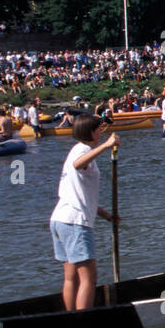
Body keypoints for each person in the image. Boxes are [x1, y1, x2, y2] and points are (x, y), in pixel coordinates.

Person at [49, 115, 121, 311]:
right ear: (91, 132)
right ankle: (83, 320)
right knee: (88, 278)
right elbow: (78, 164)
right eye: (99, 130)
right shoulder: (82, 151)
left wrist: (105, 214)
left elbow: (79, 194)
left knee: (71, 276)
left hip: (60, 219)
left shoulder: (75, 151)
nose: (101, 133)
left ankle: (71, 316)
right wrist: (106, 146)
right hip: (74, 222)